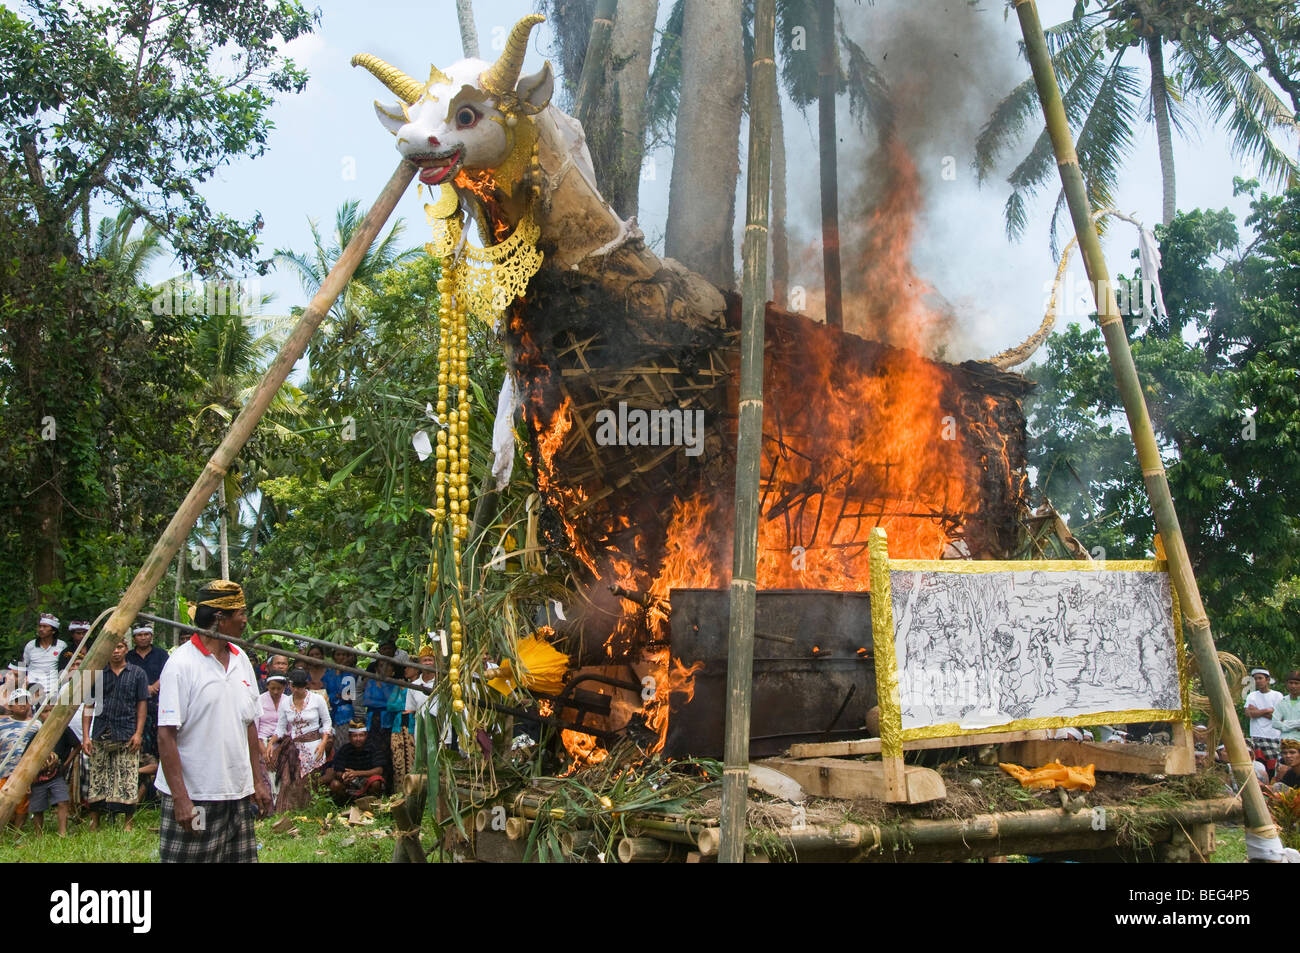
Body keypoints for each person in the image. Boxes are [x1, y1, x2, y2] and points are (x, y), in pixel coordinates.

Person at [156, 580, 270, 863]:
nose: (245, 620)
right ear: (220, 618)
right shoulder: (181, 664)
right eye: (240, 613)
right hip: (197, 798)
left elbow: (249, 724)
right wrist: (181, 799)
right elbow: (166, 735)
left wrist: (258, 781)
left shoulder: (241, 658)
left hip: (238, 796)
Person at [83, 635, 148, 831]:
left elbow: (141, 705)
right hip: (101, 731)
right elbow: (88, 706)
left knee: (127, 779)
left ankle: (127, 823)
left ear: (125, 649)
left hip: (127, 732)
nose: (116, 651)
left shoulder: (137, 673)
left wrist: (138, 733)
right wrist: (86, 735)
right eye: (112, 647)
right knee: (98, 779)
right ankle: (95, 821)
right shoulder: (97, 675)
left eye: (119, 647)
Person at [267, 668, 333, 813]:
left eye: (301, 687)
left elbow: (327, 722)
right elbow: (281, 728)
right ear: (290, 685)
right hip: (293, 748)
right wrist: (271, 742)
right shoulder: (286, 703)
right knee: (290, 781)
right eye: (294, 687)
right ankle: (290, 813)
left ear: (306, 685)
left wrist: (323, 742)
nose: (297, 690)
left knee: (310, 782)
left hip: (314, 745)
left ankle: (311, 813)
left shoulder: (317, 699)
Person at [30, 703, 79, 836]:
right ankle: (38, 835)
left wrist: (65, 763)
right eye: (45, 711)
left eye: (52, 710)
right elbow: (27, 756)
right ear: (39, 715)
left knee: (62, 800)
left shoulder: (63, 730)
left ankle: (62, 832)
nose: (49, 714)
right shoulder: (36, 735)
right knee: (37, 808)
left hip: (57, 774)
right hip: (38, 778)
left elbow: (77, 746)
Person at [126, 623, 168, 758]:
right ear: (134, 638)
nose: (143, 638)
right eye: (139, 635)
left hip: (157, 705)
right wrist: (144, 689)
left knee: (158, 744)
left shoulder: (161, 654)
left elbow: (168, 673)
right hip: (133, 706)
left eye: (146, 634)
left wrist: (154, 687)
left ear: (151, 636)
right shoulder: (128, 657)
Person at [0, 689, 40, 828]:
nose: (22, 704)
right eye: (18, 701)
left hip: (24, 771)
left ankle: (18, 834)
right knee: (3, 801)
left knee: (21, 804)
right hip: (4, 769)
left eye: (26, 701)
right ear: (10, 706)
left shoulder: (37, 725)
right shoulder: (2, 724)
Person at [324, 720, 388, 805]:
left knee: (376, 782)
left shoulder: (373, 748)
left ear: (366, 735)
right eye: (355, 736)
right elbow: (338, 770)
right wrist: (344, 776)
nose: (358, 739)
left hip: (367, 780)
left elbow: (379, 770)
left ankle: (372, 805)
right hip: (350, 782)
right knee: (335, 784)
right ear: (349, 737)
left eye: (361, 735)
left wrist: (357, 773)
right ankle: (344, 806)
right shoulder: (345, 749)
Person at [1246, 667, 1285, 774]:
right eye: (1255, 679)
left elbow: (1279, 717)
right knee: (1257, 766)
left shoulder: (1277, 695)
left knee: (1273, 767)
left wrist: (1257, 712)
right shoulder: (1252, 696)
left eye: (1260, 678)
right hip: (1256, 735)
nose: (1258, 681)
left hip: (1273, 736)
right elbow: (1249, 713)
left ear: (1267, 680)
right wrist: (1267, 710)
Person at [24, 613, 66, 701]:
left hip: (53, 689)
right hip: (33, 689)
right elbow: (25, 665)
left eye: (45, 627)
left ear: (53, 631)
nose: (41, 629)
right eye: (40, 626)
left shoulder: (61, 645)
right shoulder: (30, 645)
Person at [322, 646, 357, 728]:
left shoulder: (352, 674)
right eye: (338, 654)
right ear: (334, 657)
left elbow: (350, 696)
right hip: (329, 712)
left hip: (346, 713)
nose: (341, 657)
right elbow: (324, 694)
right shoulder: (328, 674)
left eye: (344, 655)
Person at [1270, 670, 1300, 744]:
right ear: (1287, 684)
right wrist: (1297, 724)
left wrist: (1284, 723)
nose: (1293, 686)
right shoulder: (1282, 702)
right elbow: (1275, 723)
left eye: (1296, 683)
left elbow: (1280, 724)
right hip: (1285, 740)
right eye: (1291, 683)